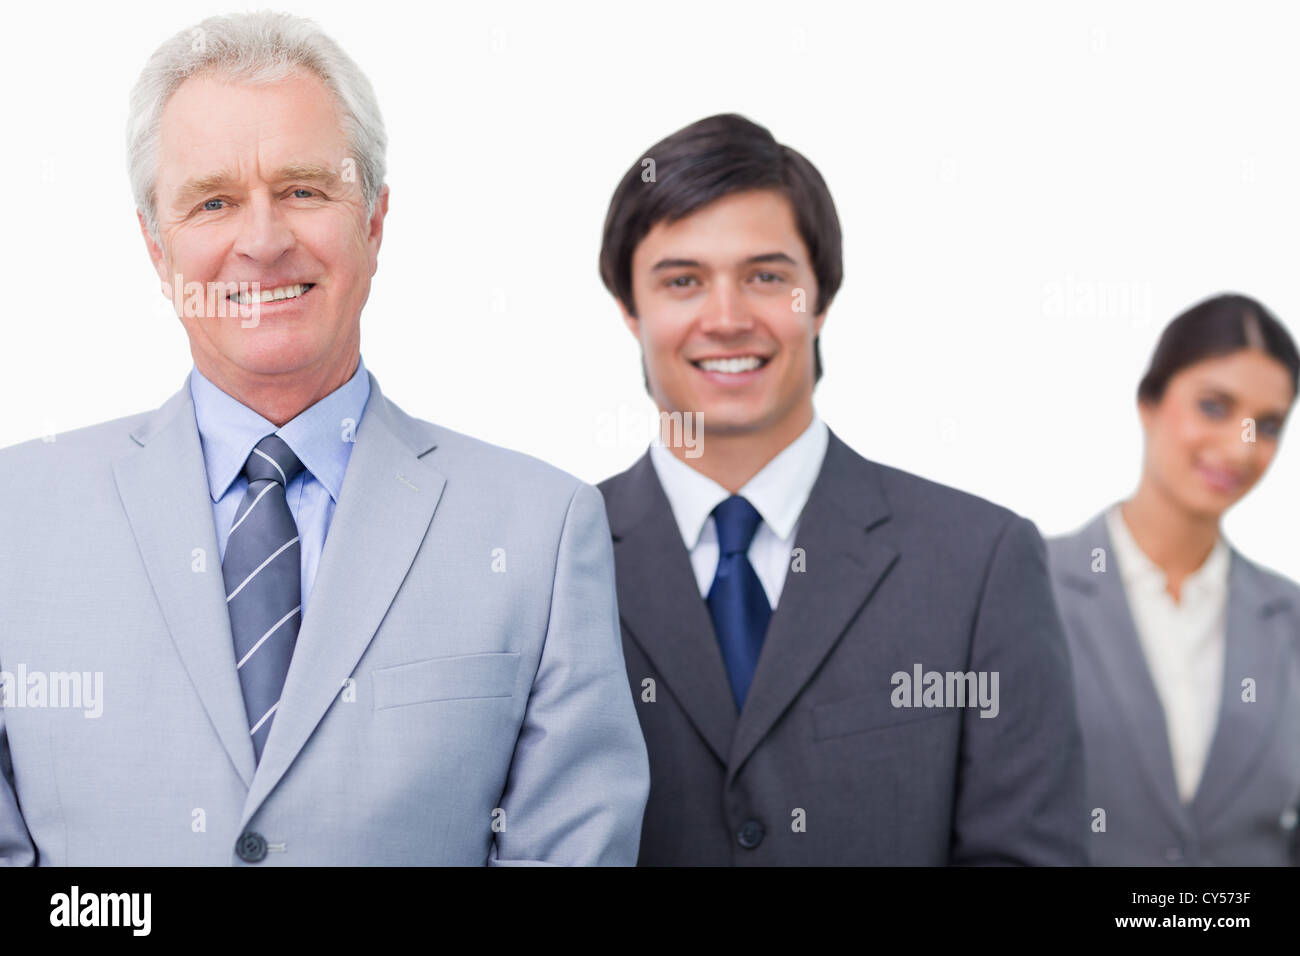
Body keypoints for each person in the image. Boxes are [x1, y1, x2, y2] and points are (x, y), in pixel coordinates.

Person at [0, 11, 648, 866]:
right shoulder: (18, 518)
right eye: (214, 201)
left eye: (304, 189)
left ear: (374, 224)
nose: (263, 240)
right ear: (157, 249)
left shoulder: (541, 531)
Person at [596, 113, 1087, 864]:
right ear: (631, 310)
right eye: (683, 281)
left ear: (819, 299)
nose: (726, 320)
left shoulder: (978, 563)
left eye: (767, 277)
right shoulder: (555, 557)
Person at [1047, 293, 1300, 866]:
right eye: (1214, 407)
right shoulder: (1026, 587)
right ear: (1149, 402)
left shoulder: (1290, 619)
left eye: (1267, 425)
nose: (1240, 447)